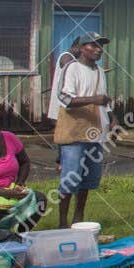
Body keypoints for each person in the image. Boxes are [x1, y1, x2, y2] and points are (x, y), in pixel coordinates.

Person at [54, 33, 111, 226]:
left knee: (88, 179)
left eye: (100, 45)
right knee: (70, 178)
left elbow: (104, 102)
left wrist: (111, 120)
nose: (98, 49)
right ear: (80, 48)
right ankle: (62, 221)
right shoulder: (72, 68)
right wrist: (94, 100)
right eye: (93, 45)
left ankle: (78, 218)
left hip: (95, 131)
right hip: (74, 133)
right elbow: (65, 98)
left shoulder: (100, 71)